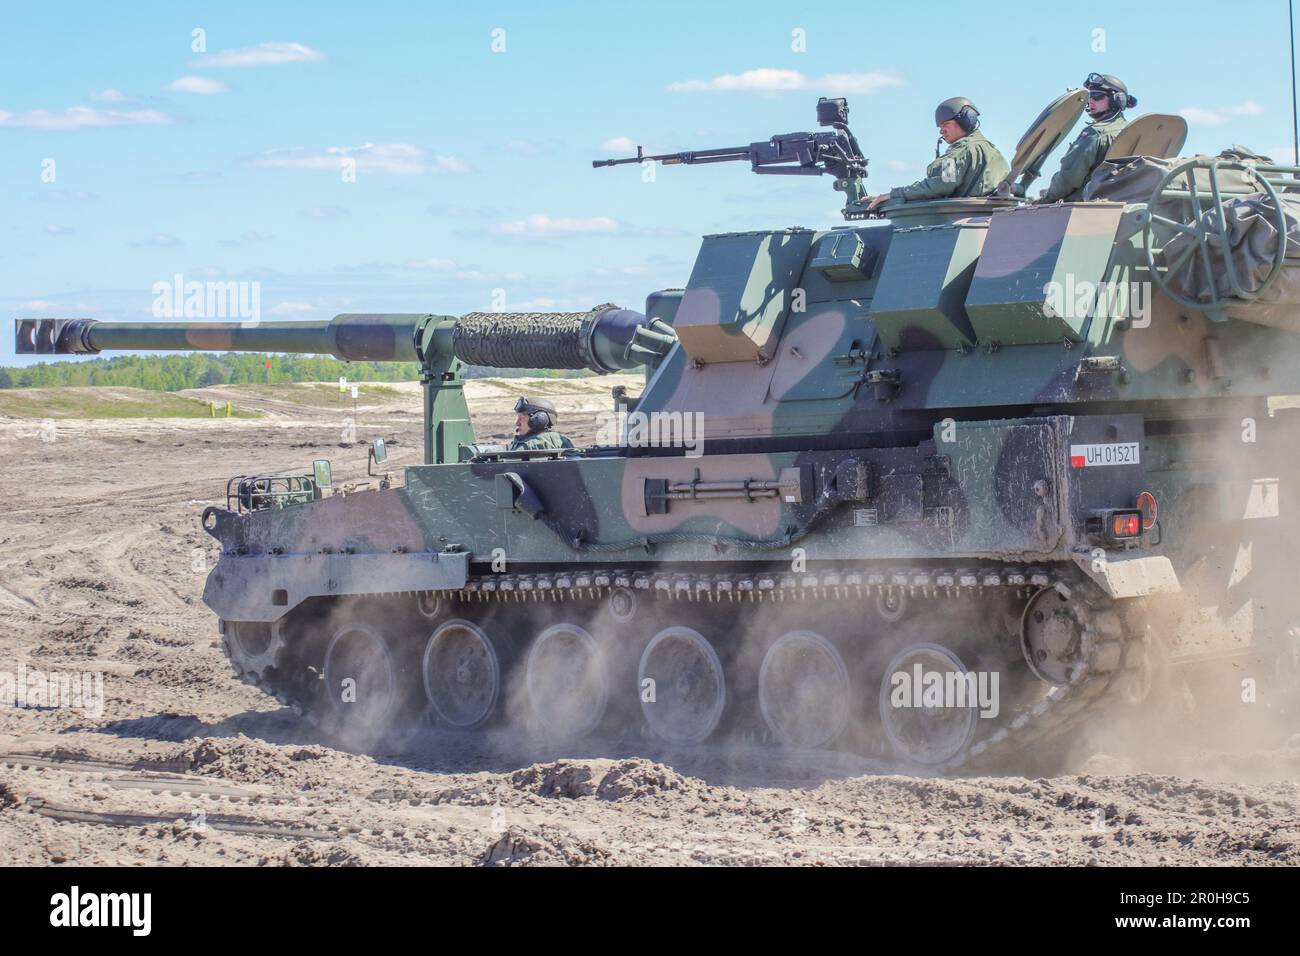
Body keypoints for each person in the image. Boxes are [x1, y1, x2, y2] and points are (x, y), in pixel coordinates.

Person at [865, 97, 1009, 210]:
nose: (941, 131)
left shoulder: (959, 152)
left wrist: (895, 194)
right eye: (940, 127)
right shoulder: (995, 153)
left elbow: (942, 184)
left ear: (965, 120)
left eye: (946, 125)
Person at [1041, 73, 1135, 203]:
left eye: (1097, 96)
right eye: (1090, 96)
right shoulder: (1134, 132)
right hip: (1125, 203)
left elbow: (1068, 178)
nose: (1090, 101)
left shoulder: (1095, 133)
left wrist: (1045, 200)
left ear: (1117, 99)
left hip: (1088, 209)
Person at [508, 395, 575, 452]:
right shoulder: (561, 441)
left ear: (539, 419)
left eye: (522, 417)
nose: (517, 423)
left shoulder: (529, 446)